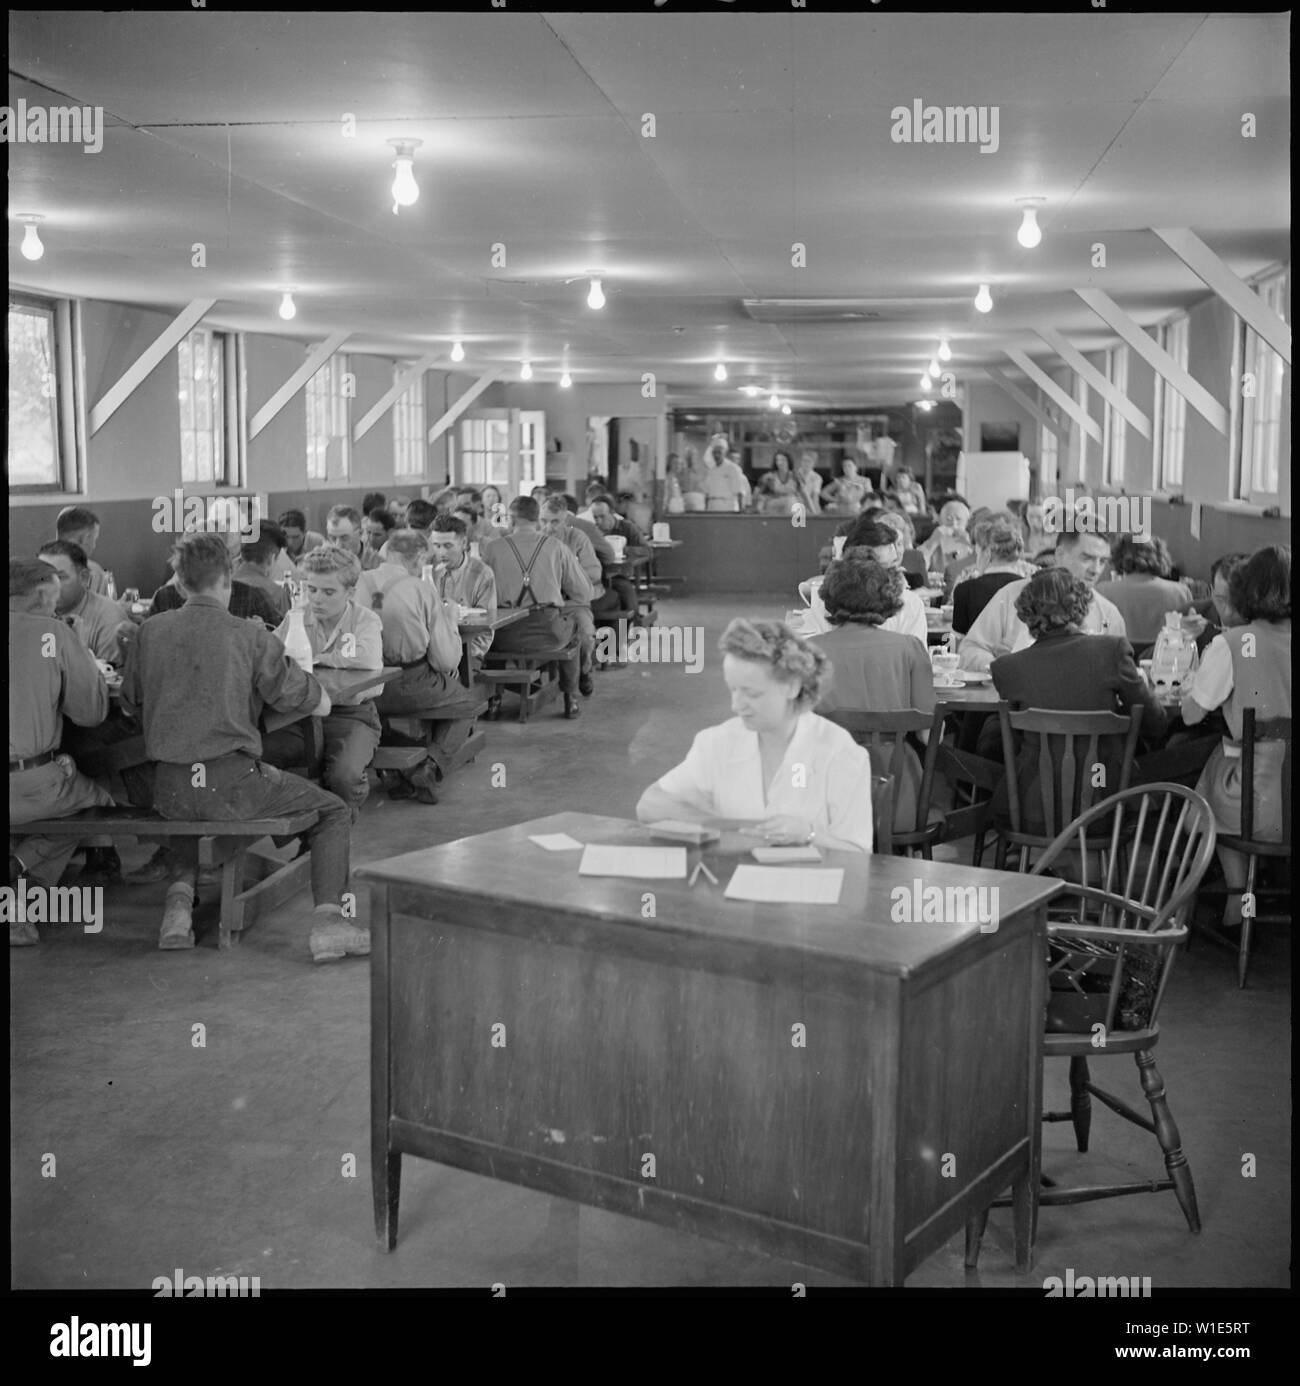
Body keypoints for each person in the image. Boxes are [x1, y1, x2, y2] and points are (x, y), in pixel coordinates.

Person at [121, 534, 359, 960]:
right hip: (232, 785)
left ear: (178, 584)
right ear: (228, 580)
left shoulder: (149, 631)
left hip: (168, 789)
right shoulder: (247, 635)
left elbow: (131, 699)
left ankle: (178, 908)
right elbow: (304, 697)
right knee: (332, 812)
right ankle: (330, 923)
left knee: (190, 808)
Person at [635, 618, 876, 853]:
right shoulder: (717, 742)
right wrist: (731, 827)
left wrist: (809, 835)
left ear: (792, 686)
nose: (736, 705)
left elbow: (858, 853)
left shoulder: (838, 751)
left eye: (752, 693)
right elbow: (650, 806)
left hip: (812, 886)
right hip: (731, 883)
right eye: (733, 690)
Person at [985, 567, 1167, 832]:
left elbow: (1012, 744)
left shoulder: (1006, 668)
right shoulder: (1112, 650)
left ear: (1026, 612)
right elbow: (1155, 723)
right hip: (1103, 796)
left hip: (1032, 802)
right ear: (1082, 606)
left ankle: (1037, 863)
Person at [1182, 545, 1291, 930]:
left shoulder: (1233, 643)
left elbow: (1192, 714)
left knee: (1213, 769)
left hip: (1257, 804)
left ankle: (1236, 901)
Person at [8, 558, 116, 940]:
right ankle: (20, 869)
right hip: (30, 785)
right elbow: (90, 714)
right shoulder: (52, 632)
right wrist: (79, 651)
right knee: (99, 798)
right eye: (54, 600)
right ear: (40, 596)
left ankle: (17, 905)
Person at [809, 560, 936, 834]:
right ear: (887, 597)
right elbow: (928, 733)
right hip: (897, 792)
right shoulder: (909, 648)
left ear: (830, 598)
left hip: (826, 790)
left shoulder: (808, 652)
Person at [266, 545, 384, 818]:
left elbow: (366, 657)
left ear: (351, 593)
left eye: (328, 592)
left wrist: (314, 658)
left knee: (343, 776)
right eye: (312, 589)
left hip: (353, 715)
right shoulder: (298, 616)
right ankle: (302, 827)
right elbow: (271, 654)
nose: (317, 599)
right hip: (300, 716)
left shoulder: (365, 620)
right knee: (258, 757)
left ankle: (342, 816)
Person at [481, 497, 593, 718]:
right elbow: (584, 592)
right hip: (548, 633)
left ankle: (494, 700)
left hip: (504, 635)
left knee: (491, 640)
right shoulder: (556, 547)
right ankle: (571, 698)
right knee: (576, 631)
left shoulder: (492, 549)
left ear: (511, 518)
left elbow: (481, 595)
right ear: (538, 520)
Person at [958, 529, 1125, 673]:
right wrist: (1002, 666)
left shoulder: (1109, 614)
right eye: (1087, 558)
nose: (1096, 570)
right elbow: (969, 651)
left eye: (1103, 562)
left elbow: (1118, 670)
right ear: (1060, 554)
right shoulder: (1011, 596)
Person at [540, 496, 603, 697]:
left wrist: (568, 574)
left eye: (554, 521)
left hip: (573, 603)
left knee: (585, 636)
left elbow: (594, 573)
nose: (548, 527)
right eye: (543, 521)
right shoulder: (535, 540)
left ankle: (584, 672)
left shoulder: (577, 539)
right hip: (541, 605)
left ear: (566, 519)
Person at [832, 516, 929, 645]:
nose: (886, 576)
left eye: (891, 566)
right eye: (875, 568)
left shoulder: (910, 604)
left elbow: (917, 660)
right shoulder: (827, 602)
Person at [35, 540, 130, 666]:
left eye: (60, 577)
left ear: (84, 578)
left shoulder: (109, 619)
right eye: (43, 577)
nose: (49, 586)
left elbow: (109, 681)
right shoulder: (32, 611)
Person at [1095, 535, 1194, 649]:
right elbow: (1188, 636)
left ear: (1118, 556)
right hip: (1167, 660)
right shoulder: (1181, 592)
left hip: (1116, 659)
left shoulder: (1102, 591)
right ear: (1161, 556)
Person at [426, 514, 498, 666]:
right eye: (437, 546)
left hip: (468, 650)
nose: (441, 553)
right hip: (430, 649)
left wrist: (458, 653)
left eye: (448, 546)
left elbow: (486, 627)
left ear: (463, 543)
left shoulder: (482, 573)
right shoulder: (427, 569)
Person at [951, 516, 1032, 634]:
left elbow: (959, 640)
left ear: (987, 553)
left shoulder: (965, 590)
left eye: (978, 553)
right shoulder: (1030, 588)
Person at [231, 524, 291, 620]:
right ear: (272, 558)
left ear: (241, 554)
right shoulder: (277, 594)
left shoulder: (224, 586)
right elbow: (286, 632)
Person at [55, 506, 111, 597]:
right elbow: (102, 609)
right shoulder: (93, 571)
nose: (94, 546)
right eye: (94, 540)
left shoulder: (40, 568)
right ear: (86, 538)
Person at [920, 500, 973, 576]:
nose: (954, 524)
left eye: (959, 519)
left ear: (967, 522)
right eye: (948, 519)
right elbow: (917, 569)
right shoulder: (933, 542)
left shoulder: (975, 543)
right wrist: (932, 543)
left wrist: (969, 545)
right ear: (940, 522)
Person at [700, 437, 752, 513]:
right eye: (714, 453)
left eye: (719, 452)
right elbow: (707, 492)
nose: (716, 455)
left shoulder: (733, 469)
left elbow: (740, 492)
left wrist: (740, 512)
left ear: (724, 453)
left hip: (728, 507)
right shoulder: (711, 470)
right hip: (712, 507)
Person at [272, 509, 326, 579]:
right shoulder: (274, 544)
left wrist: (313, 562)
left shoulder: (318, 542)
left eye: (295, 537)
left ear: (304, 532)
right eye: (286, 536)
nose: (290, 542)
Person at [326, 504, 381, 572]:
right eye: (332, 538)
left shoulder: (377, 564)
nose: (337, 545)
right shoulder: (320, 562)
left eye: (344, 538)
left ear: (360, 533)